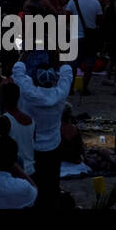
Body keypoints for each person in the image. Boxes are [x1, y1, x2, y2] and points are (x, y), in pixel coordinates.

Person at [10, 54, 73, 209]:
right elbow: (67, 73)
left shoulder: (29, 92)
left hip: (33, 146)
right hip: (53, 145)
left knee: (33, 182)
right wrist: (58, 53)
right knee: (52, 182)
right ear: (53, 78)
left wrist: (24, 53)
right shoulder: (61, 94)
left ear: (36, 79)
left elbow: (17, 72)